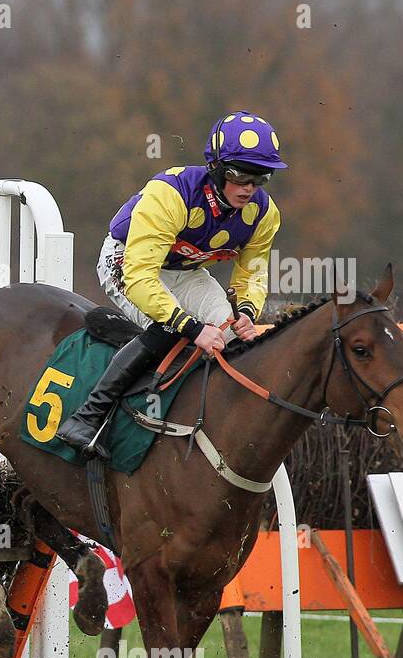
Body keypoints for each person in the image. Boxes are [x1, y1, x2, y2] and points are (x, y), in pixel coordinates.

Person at [55, 111, 286, 459]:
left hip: (186, 270)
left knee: (230, 334)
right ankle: (87, 418)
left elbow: (252, 275)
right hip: (128, 261)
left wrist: (247, 312)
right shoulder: (171, 194)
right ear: (218, 169)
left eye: (260, 177)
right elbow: (140, 276)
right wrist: (191, 328)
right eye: (241, 175)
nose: (250, 188)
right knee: (169, 328)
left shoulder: (265, 214)